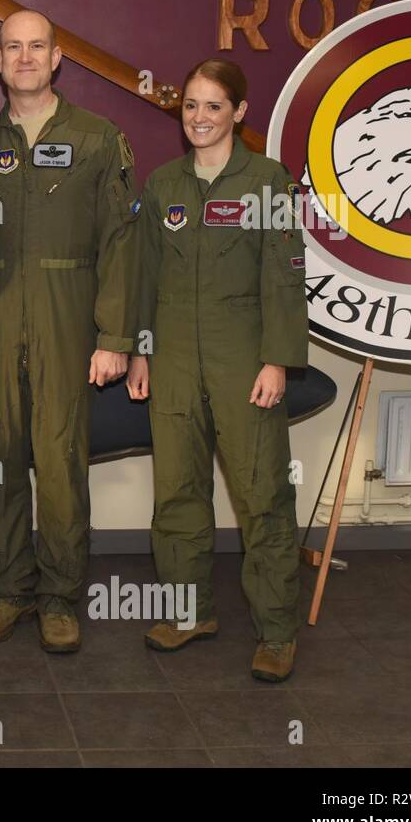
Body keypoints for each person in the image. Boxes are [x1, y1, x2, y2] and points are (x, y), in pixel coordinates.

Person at [0, 9, 141, 652]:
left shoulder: (96, 138)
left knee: (61, 464)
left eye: (38, 46)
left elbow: (120, 244)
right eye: (13, 46)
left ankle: (60, 597)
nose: (26, 56)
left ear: (58, 57)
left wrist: (116, 337)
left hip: (69, 323)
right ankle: (7, 589)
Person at [126, 57, 307, 682]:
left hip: (244, 357)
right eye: (191, 106)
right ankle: (187, 612)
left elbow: (285, 278)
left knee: (261, 497)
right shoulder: (163, 185)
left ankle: (277, 631)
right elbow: (143, 275)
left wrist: (277, 361)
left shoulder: (268, 182)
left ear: (239, 113)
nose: (199, 118)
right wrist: (141, 351)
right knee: (176, 491)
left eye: (213, 106)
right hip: (172, 355)